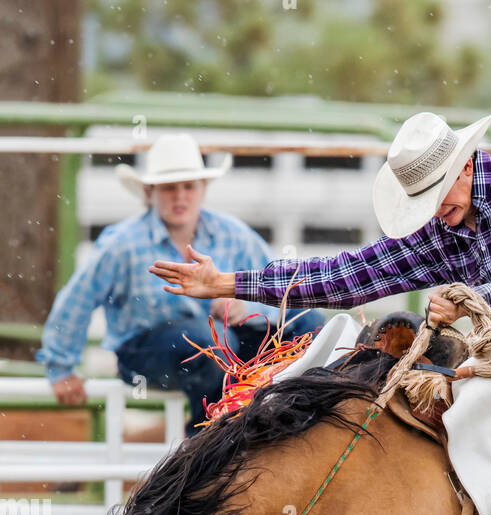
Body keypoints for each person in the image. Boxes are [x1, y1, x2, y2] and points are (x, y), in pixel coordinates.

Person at [149, 112, 491, 515]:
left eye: (438, 193)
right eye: (424, 199)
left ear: (465, 168)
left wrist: (473, 300)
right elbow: (347, 275)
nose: (435, 209)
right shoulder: (442, 227)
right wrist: (229, 283)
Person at [38, 133, 324, 431]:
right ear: (150, 193)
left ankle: (293, 430)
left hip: (223, 347)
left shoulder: (233, 234)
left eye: (189, 186)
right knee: (206, 342)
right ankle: (211, 443)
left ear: (203, 190)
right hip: (147, 350)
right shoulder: (123, 244)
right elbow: (78, 299)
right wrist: (61, 367)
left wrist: (245, 305)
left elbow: (280, 288)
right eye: (169, 188)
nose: (180, 196)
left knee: (310, 325)